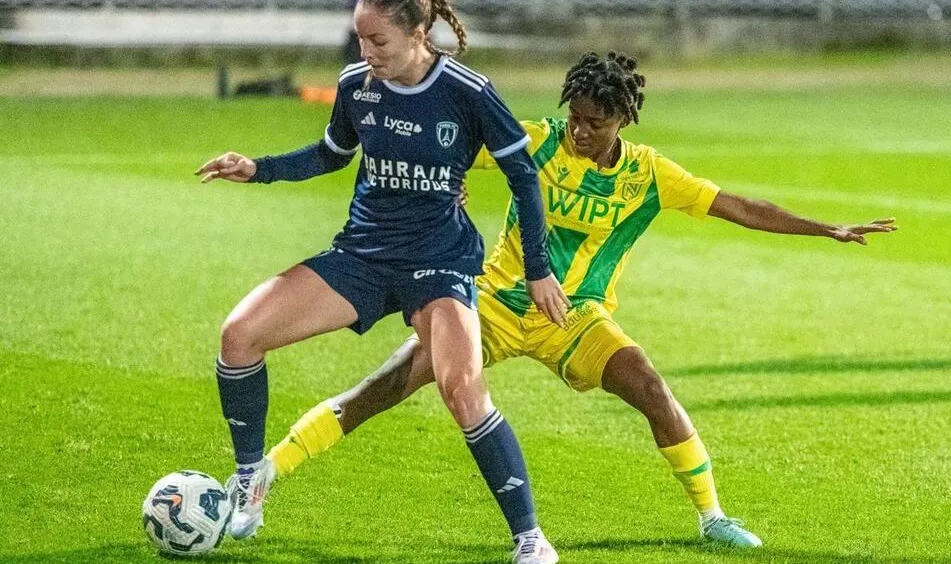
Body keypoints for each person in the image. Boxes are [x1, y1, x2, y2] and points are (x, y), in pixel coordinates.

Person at [261, 52, 898, 550]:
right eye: (576, 115)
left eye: (598, 120)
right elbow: (439, 153)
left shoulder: (648, 175)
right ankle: (265, 475)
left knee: (650, 386)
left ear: (624, 120)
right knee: (385, 385)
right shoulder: (536, 142)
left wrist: (826, 228)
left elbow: (735, 206)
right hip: (495, 302)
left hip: (576, 319)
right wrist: (436, 190)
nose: (582, 129)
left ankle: (713, 517)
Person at [194, 0, 569, 564]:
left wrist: (538, 271)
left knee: (462, 387)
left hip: (439, 262)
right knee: (239, 335)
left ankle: (529, 538)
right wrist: (257, 168)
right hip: (363, 256)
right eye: (360, 40)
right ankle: (249, 480)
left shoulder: (469, 92)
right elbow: (330, 154)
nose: (367, 53)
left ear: (419, 34)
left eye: (380, 42)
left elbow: (523, 176)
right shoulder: (356, 86)